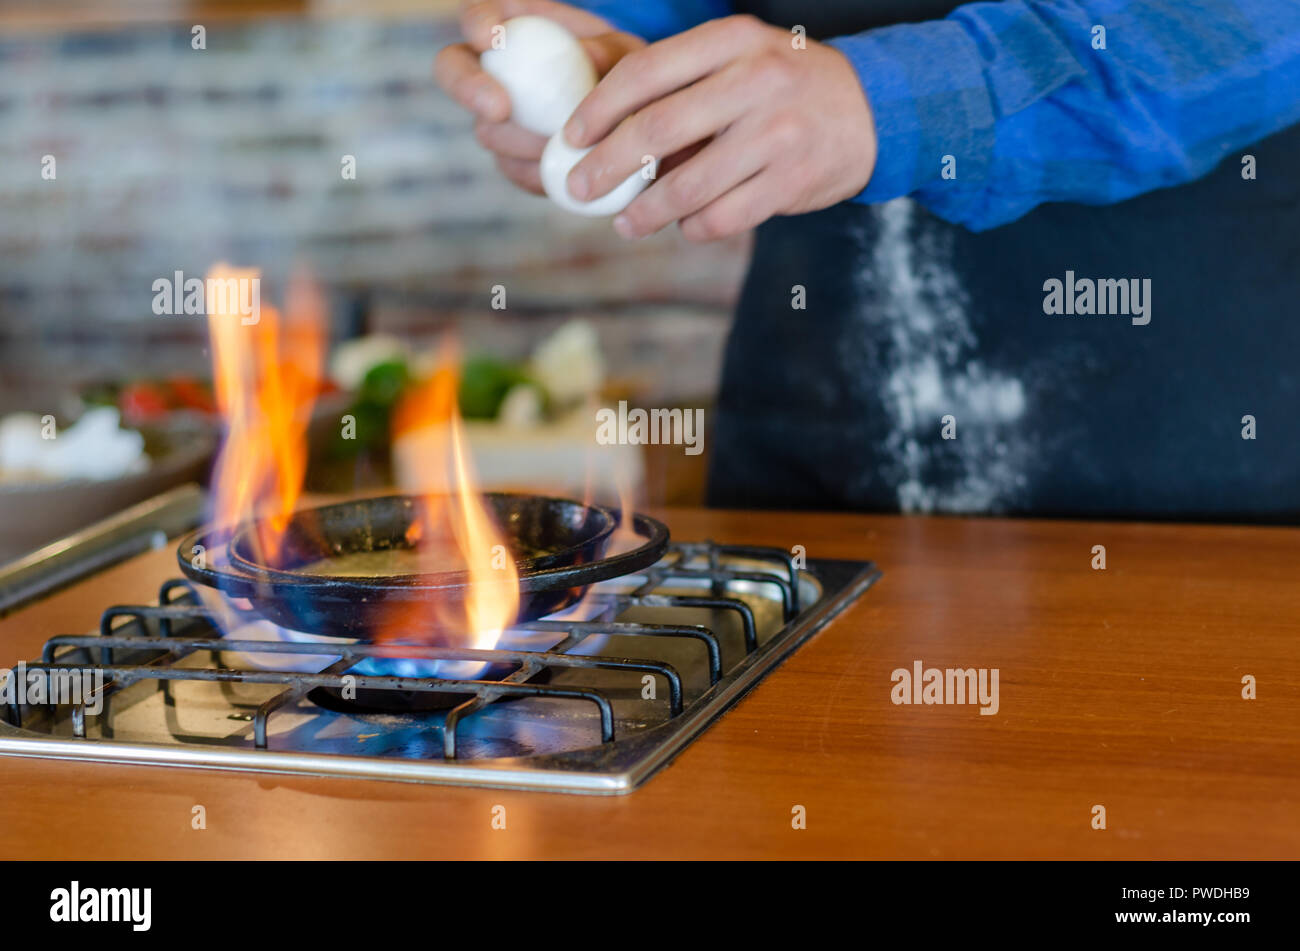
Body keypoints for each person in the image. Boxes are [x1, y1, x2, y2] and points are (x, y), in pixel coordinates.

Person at [437, 0, 1300, 521]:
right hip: (816, 456)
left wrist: (883, 103)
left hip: (1186, 477)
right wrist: (606, 64)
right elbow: (666, 21)